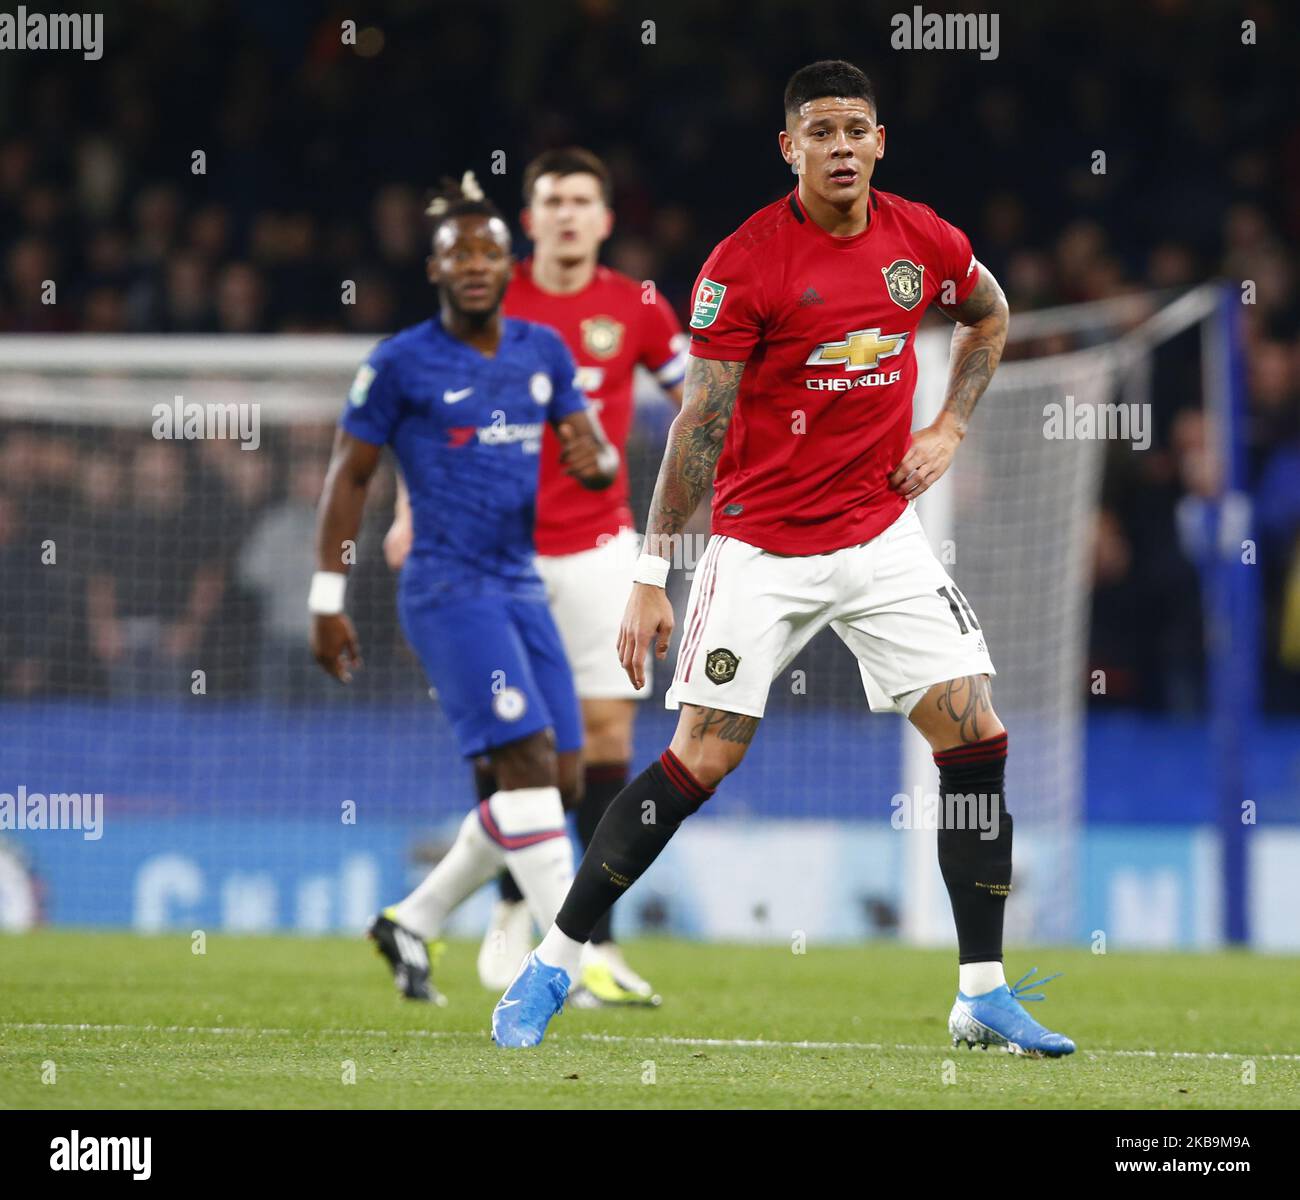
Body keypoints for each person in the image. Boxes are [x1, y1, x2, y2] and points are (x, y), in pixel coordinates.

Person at [492, 60, 1075, 1058]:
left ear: (879, 142)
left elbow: (988, 313)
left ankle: (979, 992)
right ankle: (550, 962)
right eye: (821, 132)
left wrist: (948, 429)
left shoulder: (923, 240)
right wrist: (650, 576)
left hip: (881, 534)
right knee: (699, 761)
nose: (841, 147)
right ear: (790, 149)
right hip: (761, 547)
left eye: (857, 129)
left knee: (975, 735)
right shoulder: (743, 266)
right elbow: (698, 429)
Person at [385, 148, 686, 1005]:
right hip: (492, 554)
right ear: (530, 216)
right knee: (520, 748)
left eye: (581, 200)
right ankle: (513, 921)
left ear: (603, 218)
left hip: (599, 548)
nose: (565, 213)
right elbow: (423, 408)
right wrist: (411, 513)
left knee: (601, 745)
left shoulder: (634, 303)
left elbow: (699, 399)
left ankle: (579, 935)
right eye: (550, 199)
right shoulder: (489, 291)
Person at [310, 173, 618, 1003]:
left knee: (561, 778)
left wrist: (603, 465)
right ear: (436, 270)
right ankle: (568, 964)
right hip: (448, 592)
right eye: (458, 253)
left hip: (522, 586)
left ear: (510, 265)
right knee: (520, 763)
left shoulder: (543, 352)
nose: (475, 264)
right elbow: (350, 477)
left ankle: (412, 919)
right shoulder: (402, 362)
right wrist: (325, 599)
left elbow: (593, 453)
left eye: (489, 250)